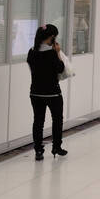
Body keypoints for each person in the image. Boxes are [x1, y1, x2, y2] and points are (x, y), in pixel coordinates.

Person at [27, 24, 66, 160]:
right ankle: (56, 147)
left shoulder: (31, 52)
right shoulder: (51, 53)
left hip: (35, 92)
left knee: (38, 121)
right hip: (52, 93)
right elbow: (60, 68)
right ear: (51, 37)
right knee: (57, 119)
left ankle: (38, 150)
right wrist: (57, 53)